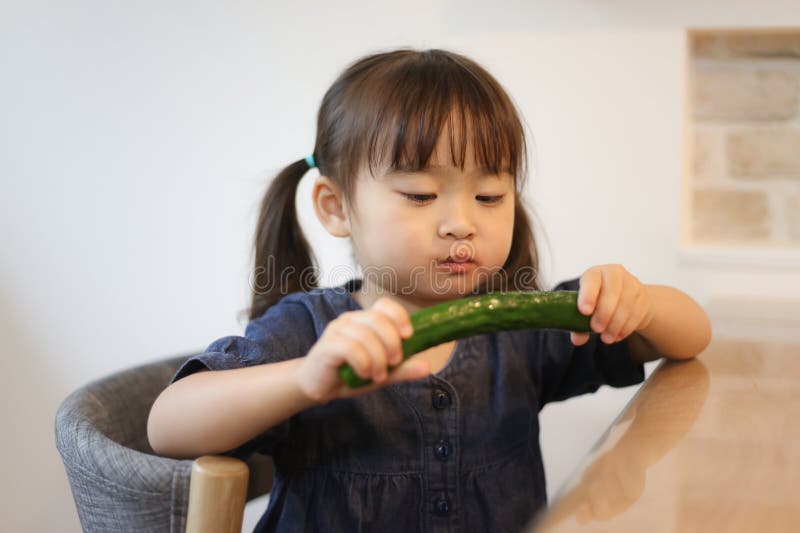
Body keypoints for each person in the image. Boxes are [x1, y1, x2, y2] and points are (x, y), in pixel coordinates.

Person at [147, 48, 712, 532]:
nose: (461, 223)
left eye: (489, 197)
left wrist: (638, 302)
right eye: (420, 195)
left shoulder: (526, 328)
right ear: (336, 206)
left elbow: (692, 334)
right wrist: (303, 379)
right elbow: (167, 426)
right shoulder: (310, 332)